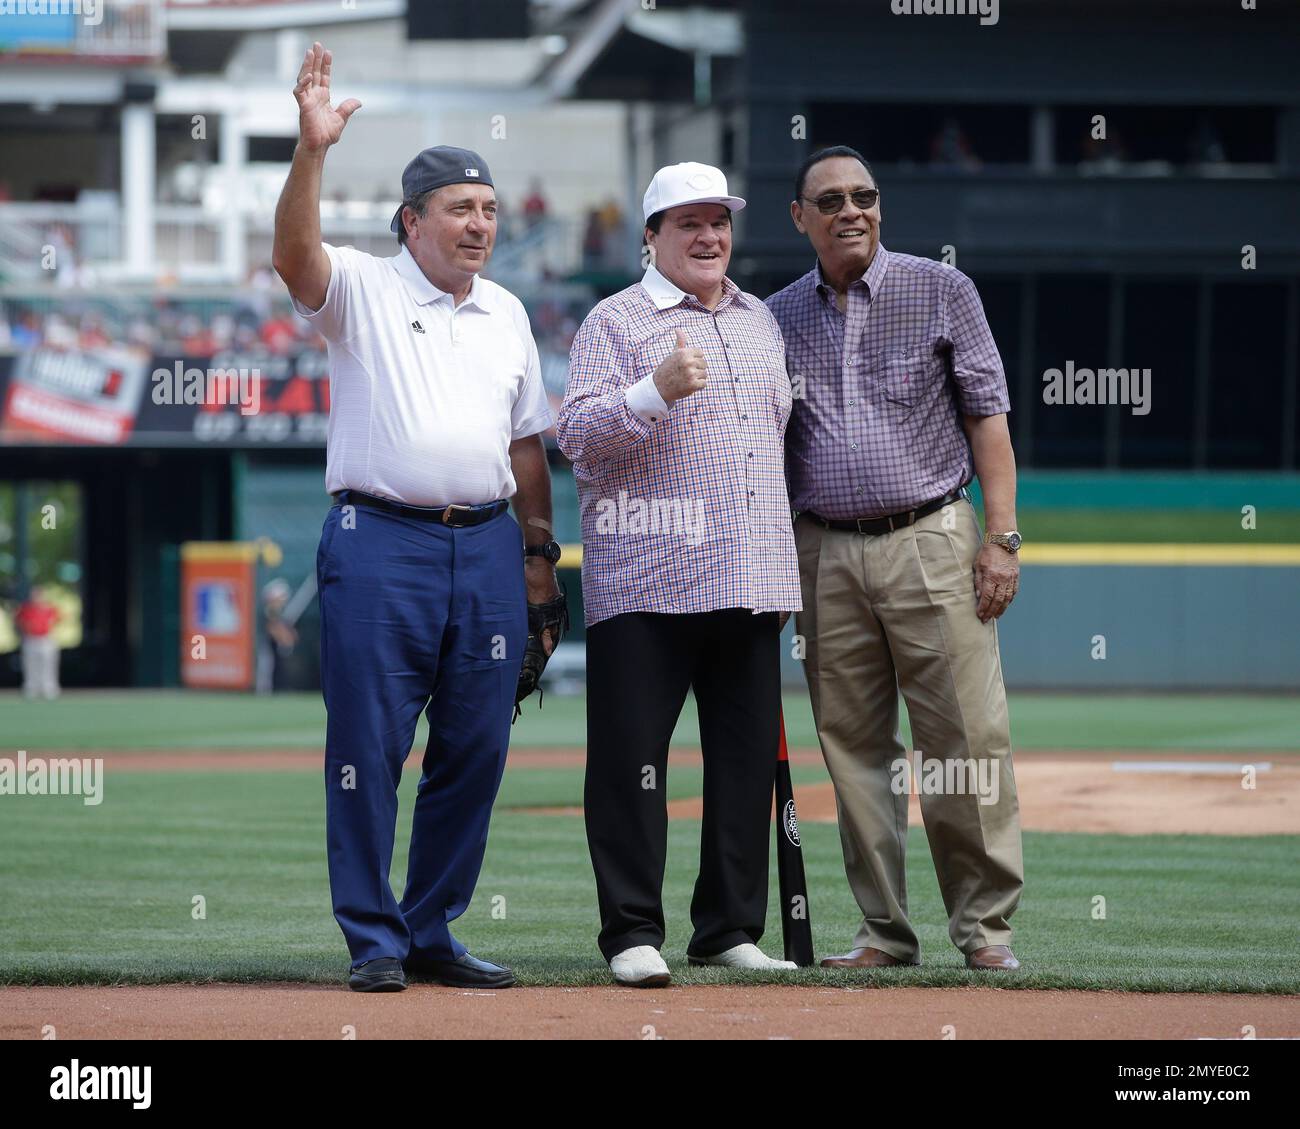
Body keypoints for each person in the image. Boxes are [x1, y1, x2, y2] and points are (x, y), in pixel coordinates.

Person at [272, 42, 562, 993]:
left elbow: (527, 446)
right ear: (412, 221)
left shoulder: (510, 312)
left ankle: (431, 925)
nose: (480, 223)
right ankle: (373, 937)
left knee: (477, 745)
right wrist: (311, 151)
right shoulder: (360, 284)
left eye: (487, 208)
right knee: (368, 747)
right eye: (460, 210)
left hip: (485, 544)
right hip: (379, 538)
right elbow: (292, 258)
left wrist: (537, 555)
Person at [766, 145, 1025, 973]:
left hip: (933, 535)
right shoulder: (773, 316)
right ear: (800, 219)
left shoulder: (943, 288)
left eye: (866, 196)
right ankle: (883, 931)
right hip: (824, 549)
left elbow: (988, 417)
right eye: (831, 200)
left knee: (965, 739)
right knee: (854, 749)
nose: (853, 210)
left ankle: (985, 929)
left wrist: (1002, 537)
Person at [557, 162, 801, 988]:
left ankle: (728, 925)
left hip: (747, 577)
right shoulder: (615, 321)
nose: (708, 237)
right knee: (631, 761)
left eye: (719, 221)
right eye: (687, 222)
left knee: (742, 763)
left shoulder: (759, 319)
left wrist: (780, 573)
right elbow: (579, 441)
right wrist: (654, 392)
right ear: (651, 236)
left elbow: (772, 450)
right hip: (646, 578)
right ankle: (630, 929)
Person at [15, 586, 61, 701]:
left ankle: (49, 688)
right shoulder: (26, 609)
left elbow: (56, 621)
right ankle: (31, 688)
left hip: (45, 639)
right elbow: (19, 622)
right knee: (30, 665)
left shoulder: (50, 608)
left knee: (48, 665)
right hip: (31, 639)